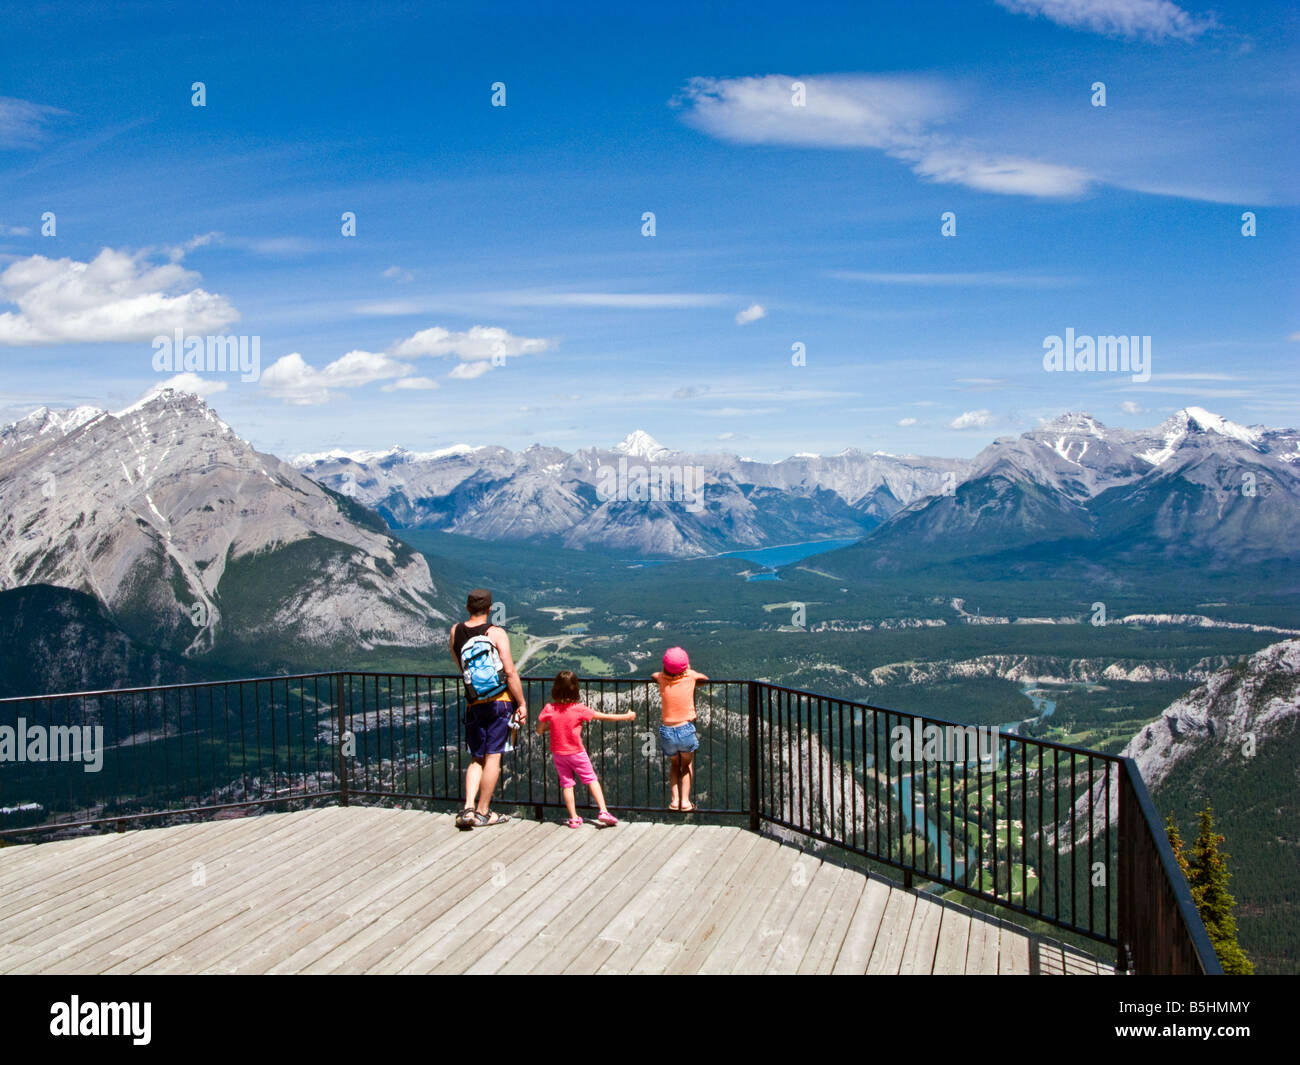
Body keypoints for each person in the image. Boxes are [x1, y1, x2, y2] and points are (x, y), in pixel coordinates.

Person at [449, 588, 527, 829]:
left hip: (474, 703)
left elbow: (459, 664)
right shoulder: (495, 633)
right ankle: (484, 812)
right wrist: (521, 703)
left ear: (467, 607)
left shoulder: (456, 631)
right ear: (490, 609)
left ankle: (468, 808)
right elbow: (510, 671)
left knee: (476, 758)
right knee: (494, 756)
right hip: (499, 702)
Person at [536, 670, 634, 828]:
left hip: (558, 753)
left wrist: (553, 725)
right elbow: (604, 716)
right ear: (575, 689)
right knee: (591, 779)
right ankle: (603, 811)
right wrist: (627, 716)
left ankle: (574, 818)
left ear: (555, 688)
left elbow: (540, 730)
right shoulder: (579, 708)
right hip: (576, 752)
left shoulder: (549, 708)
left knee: (567, 784)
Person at [652, 647, 706, 812]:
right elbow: (705, 678)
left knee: (674, 764)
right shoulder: (690, 676)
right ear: (685, 666)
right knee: (687, 765)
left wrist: (664, 673)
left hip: (667, 730)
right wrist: (690, 671)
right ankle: (686, 801)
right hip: (685, 728)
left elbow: (653, 675)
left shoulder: (661, 678)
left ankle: (674, 800)